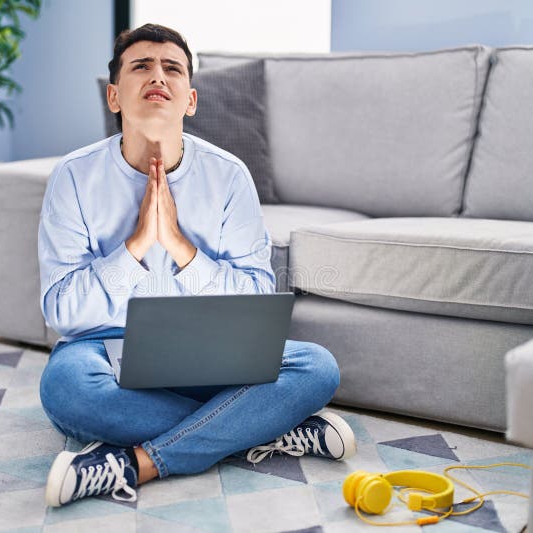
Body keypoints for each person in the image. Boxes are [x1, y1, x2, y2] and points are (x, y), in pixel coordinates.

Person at [38, 23, 356, 508]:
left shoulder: (229, 176)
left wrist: (182, 248)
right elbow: (61, 312)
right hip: (105, 350)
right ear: (114, 96)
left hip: (211, 352)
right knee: (67, 390)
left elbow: (255, 299)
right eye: (140, 66)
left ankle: (139, 462)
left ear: (190, 99)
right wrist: (138, 244)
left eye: (172, 68)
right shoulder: (73, 177)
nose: (157, 76)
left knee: (317, 366)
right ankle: (267, 424)